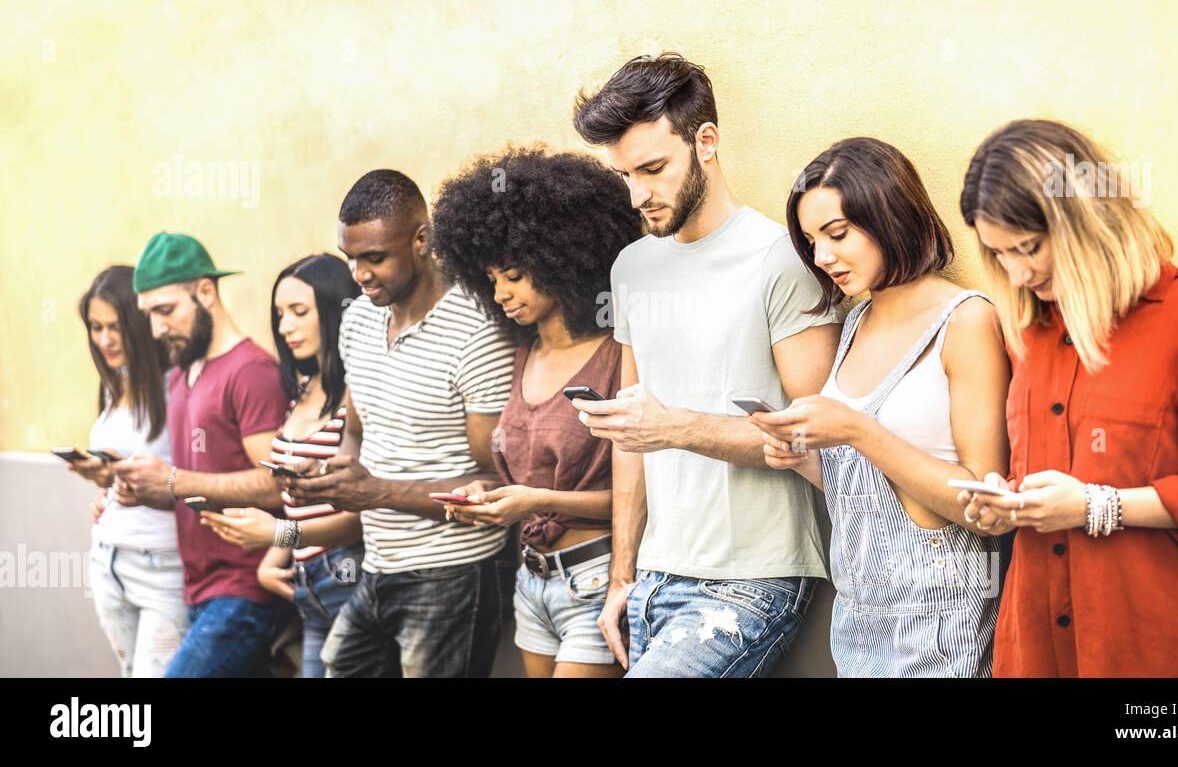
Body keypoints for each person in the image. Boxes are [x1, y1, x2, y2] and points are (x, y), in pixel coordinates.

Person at [958, 119, 1178, 676]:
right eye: (999, 254)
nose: (1016, 271)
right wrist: (1006, 501)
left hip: (1148, 651)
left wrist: (1093, 507)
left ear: (1086, 220)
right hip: (1035, 646)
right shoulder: (1033, 331)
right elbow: (1056, 473)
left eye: (1029, 247)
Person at [568, 53, 843, 677]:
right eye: (625, 175)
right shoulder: (632, 267)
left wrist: (680, 427)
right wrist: (622, 576)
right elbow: (631, 433)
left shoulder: (780, 257)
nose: (639, 194)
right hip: (656, 580)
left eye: (654, 169)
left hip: (751, 579)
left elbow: (823, 441)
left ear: (707, 141)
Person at [749, 138, 1012, 677]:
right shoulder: (854, 325)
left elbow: (987, 511)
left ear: (890, 215)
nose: (822, 257)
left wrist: (857, 430)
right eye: (811, 241)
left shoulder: (964, 321)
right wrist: (803, 458)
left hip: (941, 624)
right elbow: (866, 485)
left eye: (837, 234)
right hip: (856, 621)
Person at [283, 169, 517, 678]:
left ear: (421, 239)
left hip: (453, 569)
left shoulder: (477, 330)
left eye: (375, 258)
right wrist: (334, 471)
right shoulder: (358, 318)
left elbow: (498, 481)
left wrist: (377, 492)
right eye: (351, 257)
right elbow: (357, 427)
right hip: (378, 561)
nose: (360, 273)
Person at [430, 146, 644, 677]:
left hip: (594, 576)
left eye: (514, 275)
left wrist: (533, 501)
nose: (500, 293)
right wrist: (486, 496)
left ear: (562, 259)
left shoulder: (619, 355)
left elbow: (637, 491)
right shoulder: (522, 353)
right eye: (491, 279)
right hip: (532, 581)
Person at [112, 232, 293, 677]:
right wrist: (144, 489)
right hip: (195, 591)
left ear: (206, 292)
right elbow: (200, 484)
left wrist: (174, 481)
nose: (155, 329)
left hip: (245, 590)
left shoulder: (251, 371)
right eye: (148, 314)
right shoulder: (178, 376)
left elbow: (277, 483)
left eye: (166, 310)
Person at [198, 254, 366, 677]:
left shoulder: (357, 395)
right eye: (279, 314)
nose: (285, 326)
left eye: (299, 311)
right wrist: (274, 556)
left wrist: (278, 532)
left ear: (334, 308)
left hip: (350, 576)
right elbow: (296, 499)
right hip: (307, 585)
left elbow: (359, 516)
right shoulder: (302, 392)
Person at [65, 265, 188, 677]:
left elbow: (199, 481)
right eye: (95, 327)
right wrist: (105, 483)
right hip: (107, 562)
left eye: (114, 326)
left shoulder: (179, 386)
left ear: (138, 323)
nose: (104, 339)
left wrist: (150, 488)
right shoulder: (112, 384)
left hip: (163, 566)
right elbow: (130, 471)